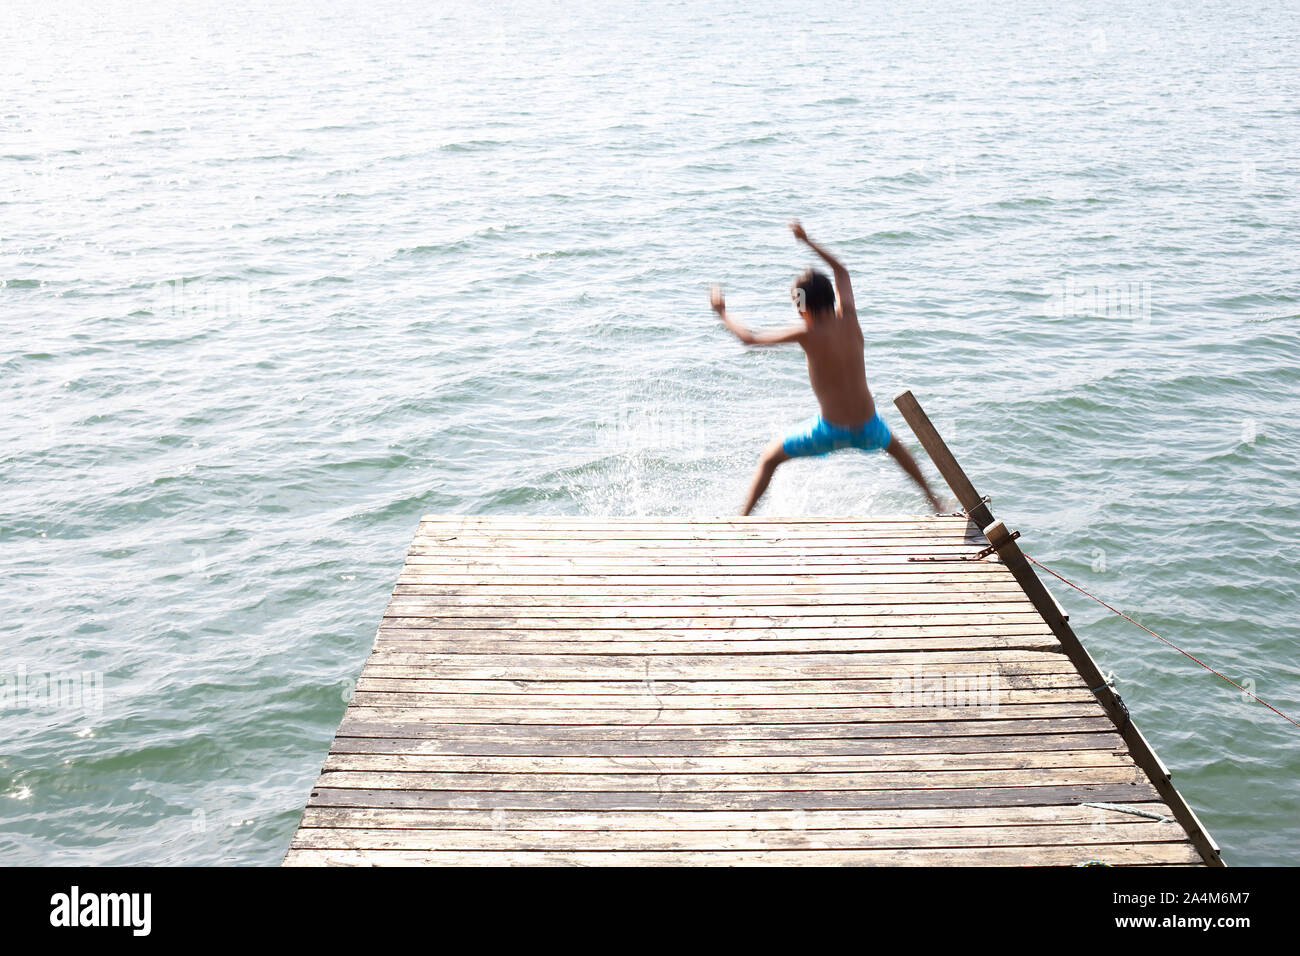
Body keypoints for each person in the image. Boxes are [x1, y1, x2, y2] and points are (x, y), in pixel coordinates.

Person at [710, 220, 943, 515]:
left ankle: (742, 520)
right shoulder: (849, 317)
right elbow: (841, 271)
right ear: (831, 299)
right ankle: (934, 501)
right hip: (868, 427)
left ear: (803, 308)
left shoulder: (805, 334)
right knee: (897, 450)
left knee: (770, 459)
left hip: (829, 431)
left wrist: (722, 313)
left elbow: (750, 339)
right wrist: (807, 241)